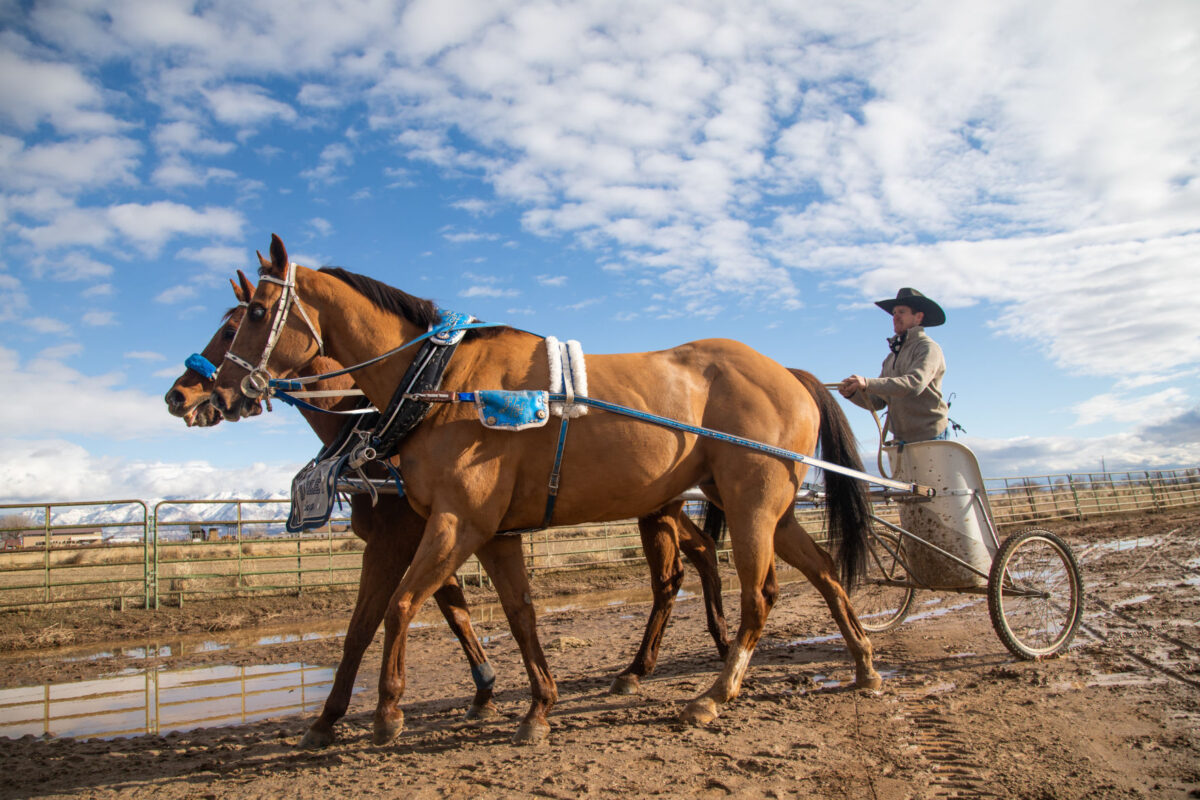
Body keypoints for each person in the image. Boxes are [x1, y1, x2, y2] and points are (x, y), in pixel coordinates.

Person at [839, 288, 948, 443]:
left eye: (901, 312)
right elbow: (878, 401)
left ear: (918, 317)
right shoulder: (890, 358)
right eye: (894, 313)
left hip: (930, 437)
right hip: (901, 440)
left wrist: (867, 383)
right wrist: (853, 393)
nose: (895, 317)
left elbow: (914, 384)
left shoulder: (928, 348)